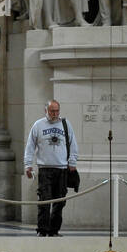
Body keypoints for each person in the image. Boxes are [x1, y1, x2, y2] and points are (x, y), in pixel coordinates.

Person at [24, 100, 78, 237]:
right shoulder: (38, 125)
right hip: (45, 169)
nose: (55, 114)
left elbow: (73, 144)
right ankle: (42, 230)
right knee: (44, 201)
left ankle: (54, 230)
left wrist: (72, 161)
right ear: (46, 110)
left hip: (62, 168)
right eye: (52, 111)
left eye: (57, 111)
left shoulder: (66, 124)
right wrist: (28, 165)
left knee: (60, 201)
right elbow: (30, 146)